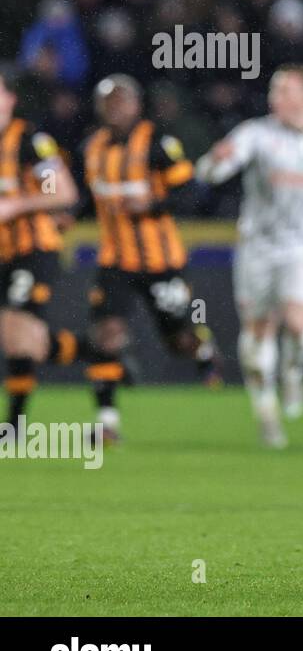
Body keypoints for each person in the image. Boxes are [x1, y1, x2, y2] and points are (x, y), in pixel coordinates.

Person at [195, 65, 303, 447]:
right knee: (258, 331)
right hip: (257, 249)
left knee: (299, 325)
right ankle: (265, 410)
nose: (275, 97)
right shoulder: (255, 134)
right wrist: (216, 161)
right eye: (274, 90)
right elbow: (211, 171)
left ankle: (293, 370)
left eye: (285, 90)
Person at [80, 74, 221, 443]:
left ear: (136, 105)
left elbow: (192, 194)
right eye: (108, 102)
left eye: (121, 101)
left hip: (161, 261)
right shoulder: (92, 148)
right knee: (106, 332)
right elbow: (85, 199)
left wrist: (152, 205)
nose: (115, 108)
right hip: (115, 260)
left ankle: (202, 345)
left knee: (180, 343)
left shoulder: (158, 144)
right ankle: (107, 422)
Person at [0, 72, 81, 431]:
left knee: (14, 328)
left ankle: (14, 426)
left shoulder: (31, 141)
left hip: (33, 250)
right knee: (23, 339)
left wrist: (16, 206)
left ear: (10, 99)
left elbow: (61, 192)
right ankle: (94, 352)